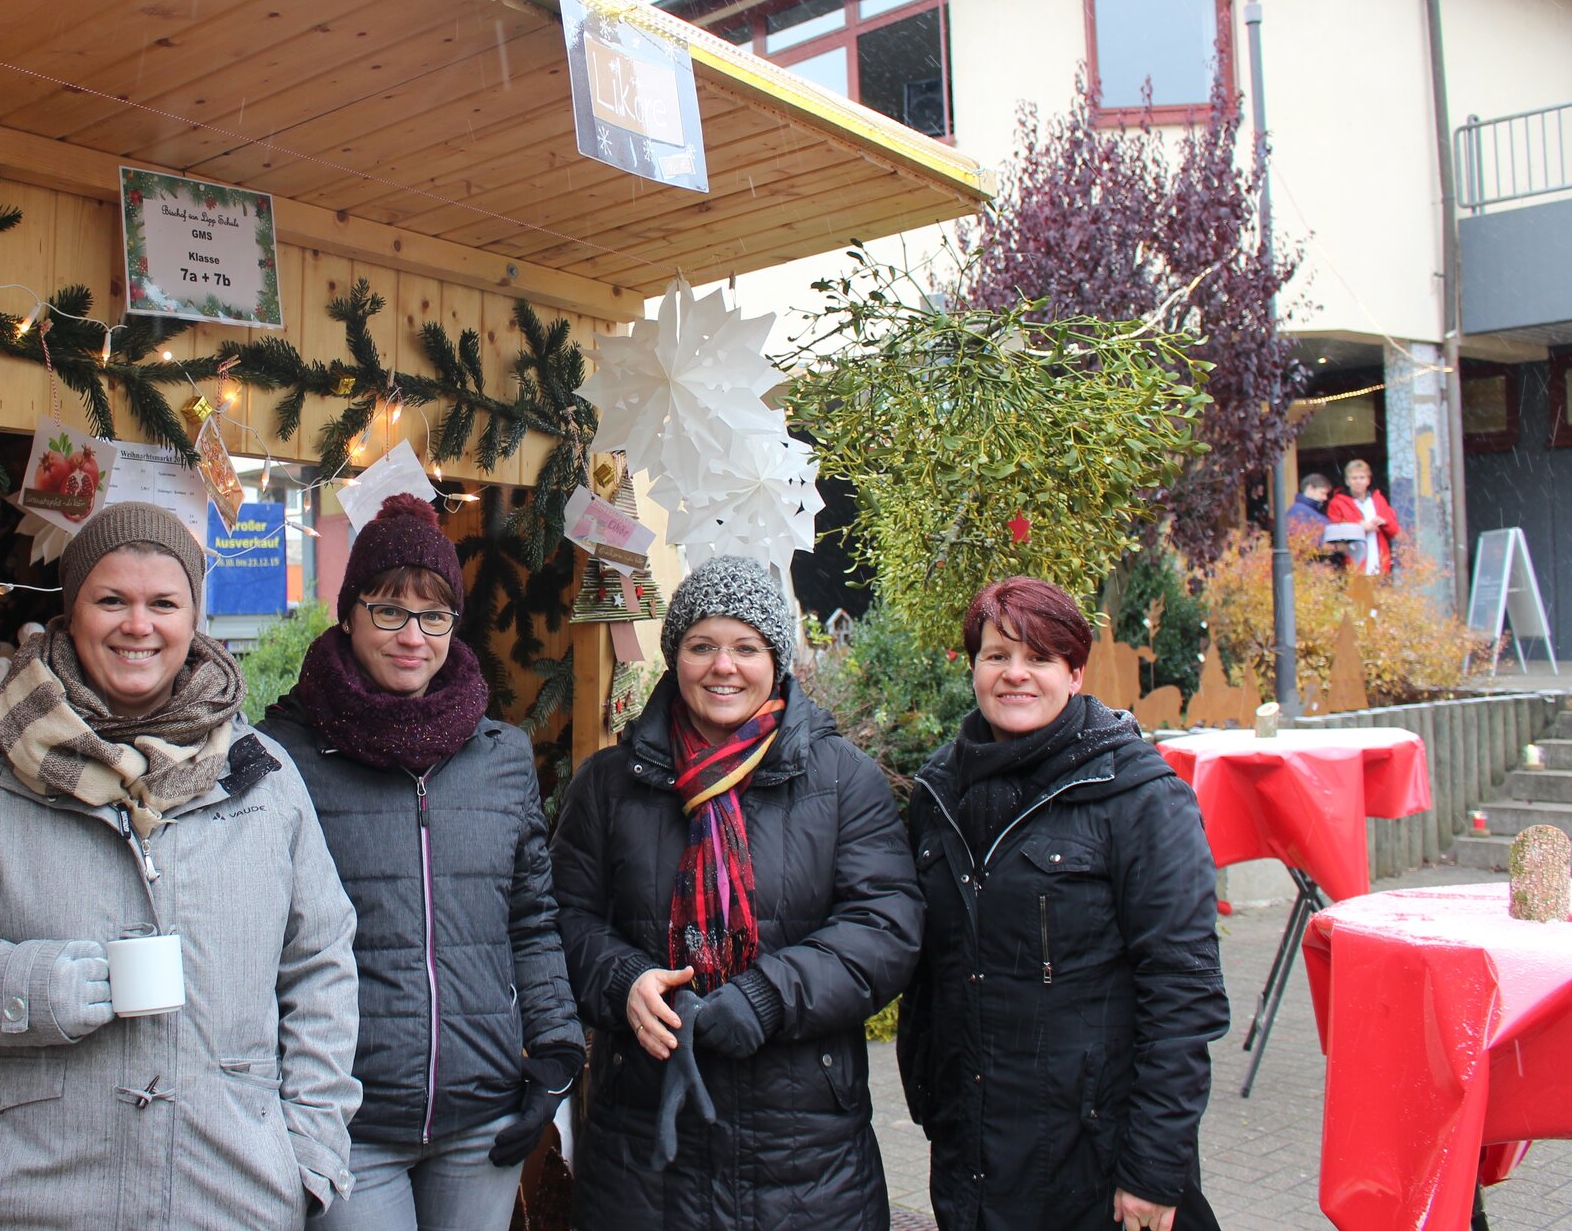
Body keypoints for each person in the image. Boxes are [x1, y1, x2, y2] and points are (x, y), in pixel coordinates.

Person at [0, 503, 360, 1230]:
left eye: (163, 603)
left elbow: (322, 962)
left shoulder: (260, 774)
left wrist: (306, 1152)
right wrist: (28, 988)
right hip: (20, 1194)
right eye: (111, 598)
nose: (138, 625)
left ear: (194, 617)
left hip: (227, 1192)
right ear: (72, 610)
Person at [551, 555, 922, 1229]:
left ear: (775, 657)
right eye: (702, 645)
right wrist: (624, 980)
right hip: (644, 1139)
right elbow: (563, 919)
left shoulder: (842, 782)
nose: (724, 666)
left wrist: (770, 994)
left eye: (745, 646)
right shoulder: (608, 785)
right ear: (675, 656)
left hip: (805, 1151)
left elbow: (885, 925)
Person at [263, 493, 583, 1230]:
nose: (414, 635)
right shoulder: (288, 756)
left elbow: (530, 920)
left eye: (434, 614)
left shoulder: (499, 755)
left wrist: (559, 1046)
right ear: (349, 613)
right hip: (347, 1119)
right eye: (389, 610)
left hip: (481, 1117)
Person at [897, 576, 1228, 1231]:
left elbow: (1184, 993)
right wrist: (933, 1103)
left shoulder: (1138, 796)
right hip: (973, 1157)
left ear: (1075, 673)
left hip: (1094, 1163)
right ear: (973, 668)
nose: (1015, 674)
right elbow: (929, 973)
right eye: (997, 656)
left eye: (1039, 658)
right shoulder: (938, 794)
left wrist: (1154, 1167)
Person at [1328, 458, 1399, 575]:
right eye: (1354, 478)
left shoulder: (1378, 499)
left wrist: (1384, 522)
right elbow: (1334, 535)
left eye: (1362, 477)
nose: (1358, 481)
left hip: (1380, 562)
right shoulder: (1337, 503)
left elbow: (1394, 531)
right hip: (1354, 564)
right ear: (1347, 481)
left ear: (1368, 480)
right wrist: (1359, 527)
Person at [1286, 471, 1333, 541]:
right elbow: (1302, 541)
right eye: (1322, 493)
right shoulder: (1298, 510)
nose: (1325, 498)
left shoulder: (1315, 511)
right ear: (1310, 488)